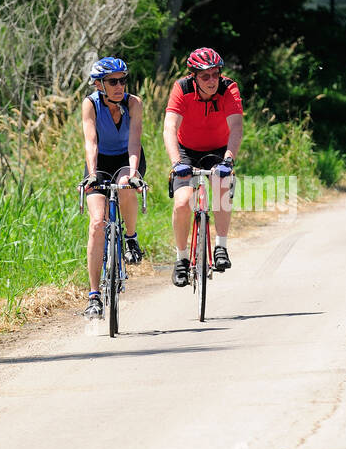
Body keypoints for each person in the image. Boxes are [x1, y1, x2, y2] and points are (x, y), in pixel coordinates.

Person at [162, 46, 242, 287]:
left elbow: (236, 127)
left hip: (217, 150)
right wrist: (176, 163)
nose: (212, 80)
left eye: (215, 74)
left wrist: (228, 159)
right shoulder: (182, 88)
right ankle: (182, 259)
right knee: (183, 202)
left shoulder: (229, 88)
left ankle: (221, 246)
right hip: (186, 151)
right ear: (193, 77)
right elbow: (169, 128)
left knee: (221, 185)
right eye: (205, 76)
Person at [81, 57, 146, 319]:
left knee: (125, 187)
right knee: (97, 223)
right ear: (99, 85)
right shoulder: (90, 104)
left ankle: (130, 237)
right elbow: (91, 141)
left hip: (127, 158)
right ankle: (94, 296)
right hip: (100, 161)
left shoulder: (134, 104)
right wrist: (93, 173)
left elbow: (134, 142)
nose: (120, 86)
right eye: (112, 82)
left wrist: (132, 174)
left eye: (122, 80)